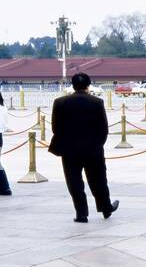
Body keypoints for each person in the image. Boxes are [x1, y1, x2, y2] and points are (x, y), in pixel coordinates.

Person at [48, 73, 118, 223]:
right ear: (88, 85)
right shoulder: (96, 102)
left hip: (69, 150)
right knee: (98, 180)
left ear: (72, 85)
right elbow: (103, 129)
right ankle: (106, 208)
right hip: (93, 149)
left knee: (74, 182)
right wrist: (97, 145)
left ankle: (81, 213)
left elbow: (56, 128)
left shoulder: (59, 102)